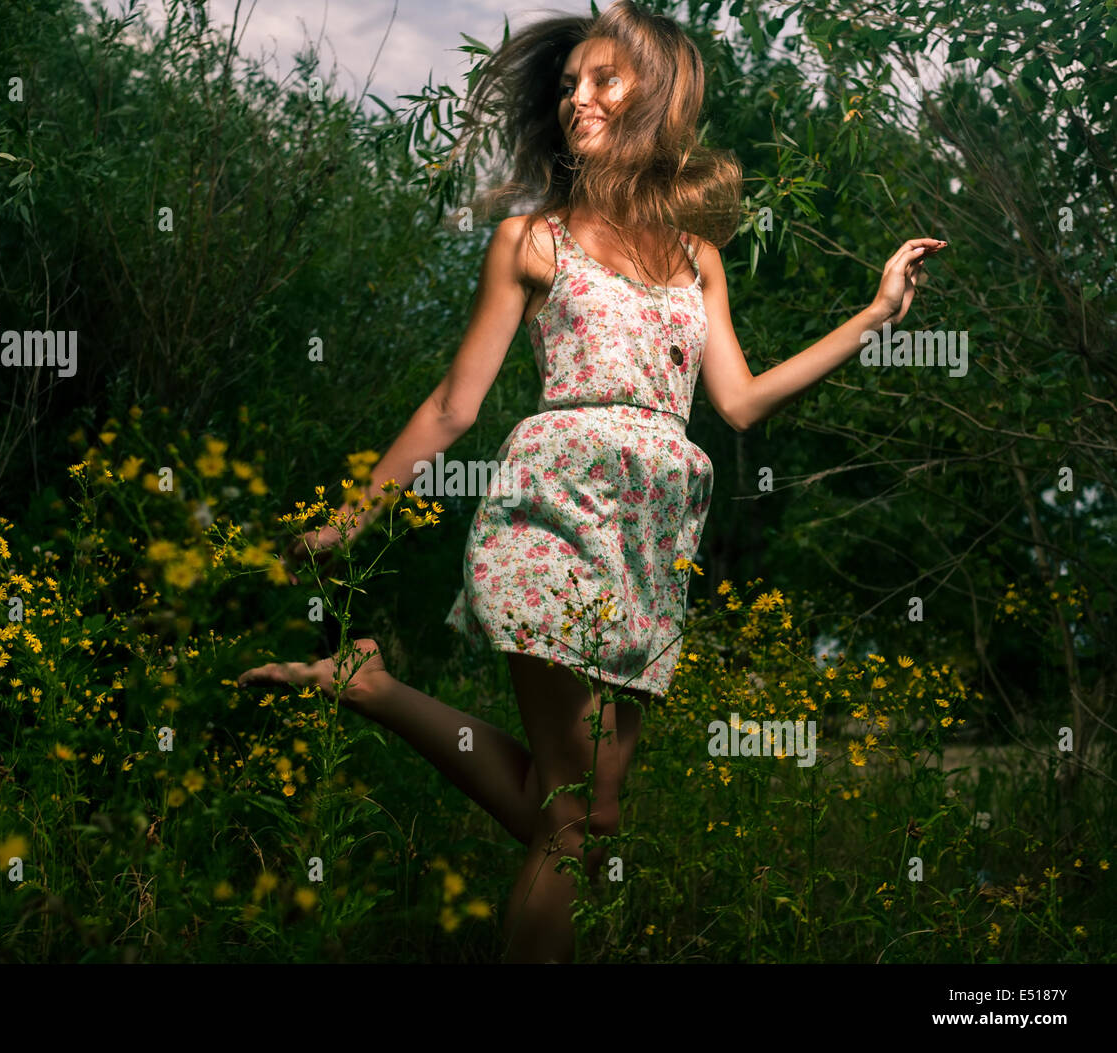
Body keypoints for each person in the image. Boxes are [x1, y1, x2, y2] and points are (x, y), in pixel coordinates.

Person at [239, 0, 944, 963]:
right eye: (569, 85)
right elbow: (454, 406)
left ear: (653, 94)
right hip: (553, 512)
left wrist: (874, 314)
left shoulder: (697, 255)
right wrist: (350, 519)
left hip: (653, 540)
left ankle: (369, 687)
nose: (580, 98)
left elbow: (735, 402)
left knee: (585, 811)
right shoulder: (531, 242)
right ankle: (371, 689)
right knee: (575, 818)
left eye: (603, 79)